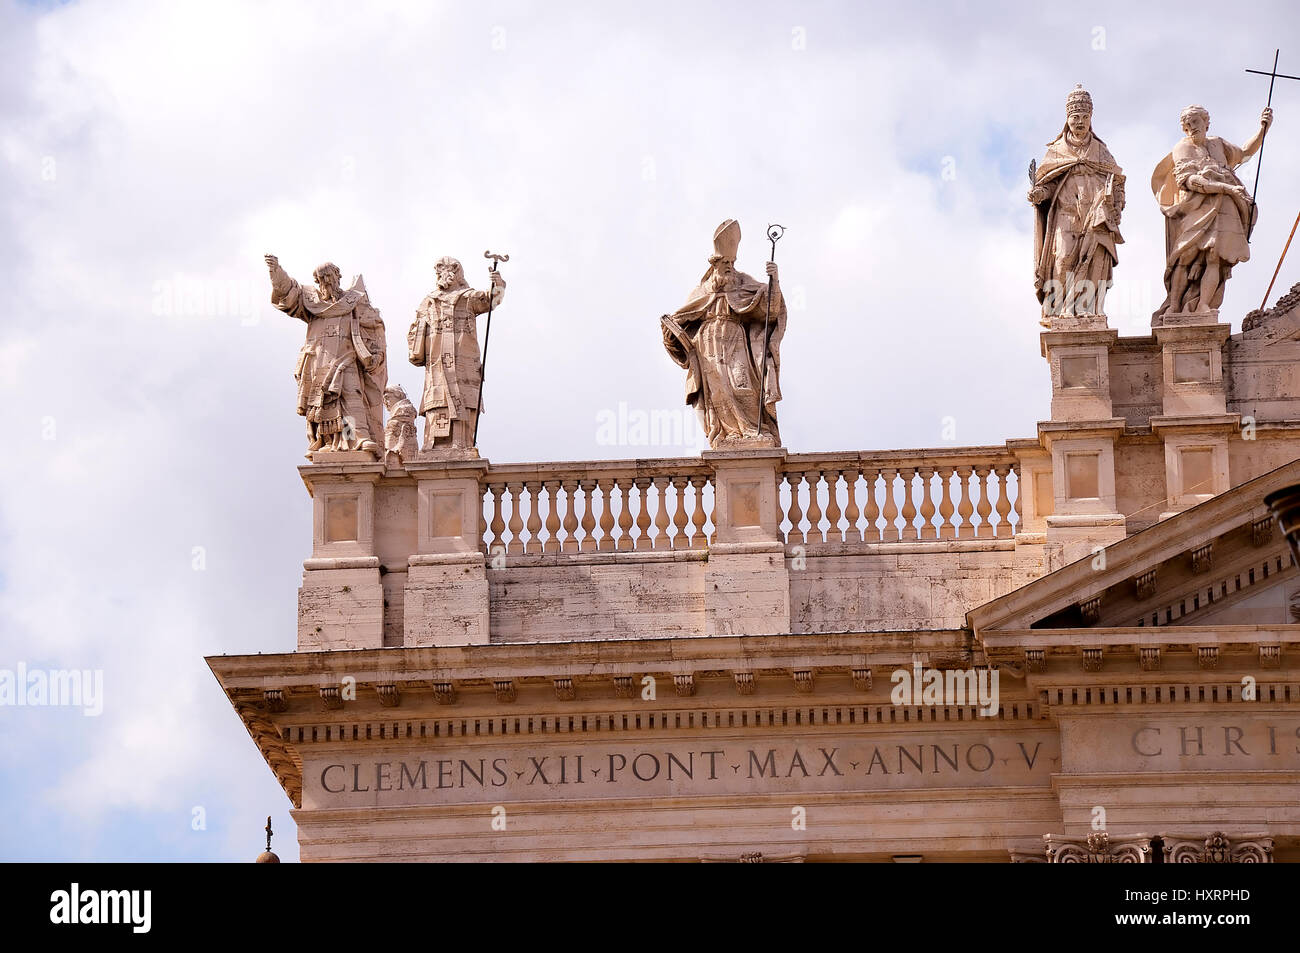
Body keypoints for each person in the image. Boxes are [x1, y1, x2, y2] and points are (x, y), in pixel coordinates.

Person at [661, 220, 785, 447]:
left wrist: (774, 280)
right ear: (715, 264)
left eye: (732, 262)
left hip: (735, 341)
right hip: (707, 345)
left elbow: (770, 309)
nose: (729, 266)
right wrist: (671, 330)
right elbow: (681, 318)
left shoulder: (743, 282)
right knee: (718, 392)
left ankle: (752, 430)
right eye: (725, 262)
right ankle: (728, 434)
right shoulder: (701, 291)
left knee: (743, 384)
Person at [1152, 104, 1273, 318]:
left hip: (1226, 205)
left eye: (1195, 122)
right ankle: (1174, 305)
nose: (1191, 128)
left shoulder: (1218, 144)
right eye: (1187, 125)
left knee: (1215, 257)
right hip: (1197, 207)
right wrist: (1226, 188)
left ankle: (1203, 306)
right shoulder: (1183, 147)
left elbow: (1245, 153)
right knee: (1186, 255)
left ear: (1207, 122)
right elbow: (1188, 180)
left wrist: (1263, 129)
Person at [264, 255, 387, 457]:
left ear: (338, 276)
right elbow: (287, 291)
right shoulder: (312, 302)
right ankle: (330, 441)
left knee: (351, 395)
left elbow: (373, 325)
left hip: (347, 357)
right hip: (318, 359)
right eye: (322, 278)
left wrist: (375, 351)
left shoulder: (354, 300)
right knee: (326, 402)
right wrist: (276, 271)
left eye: (330, 276)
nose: (327, 282)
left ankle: (357, 438)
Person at [1029, 85, 1125, 324]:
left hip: (1095, 216)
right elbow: (1049, 183)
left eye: (1084, 117)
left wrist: (1115, 204)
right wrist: (1040, 193)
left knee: (1094, 261)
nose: (1079, 122)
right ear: (1067, 119)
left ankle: (1086, 310)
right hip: (1067, 214)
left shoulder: (1101, 152)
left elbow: (1117, 182)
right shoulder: (1057, 151)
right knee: (1062, 259)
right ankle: (1058, 308)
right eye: (1075, 117)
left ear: (1091, 118)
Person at [408, 257, 505, 451]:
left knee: (464, 397)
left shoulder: (467, 297)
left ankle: (463, 445)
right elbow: (414, 336)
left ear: (456, 273)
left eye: (447, 270)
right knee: (438, 399)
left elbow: (492, 300)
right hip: (436, 364)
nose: (442, 275)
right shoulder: (428, 301)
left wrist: (498, 284)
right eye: (439, 271)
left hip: (463, 363)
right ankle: (433, 445)